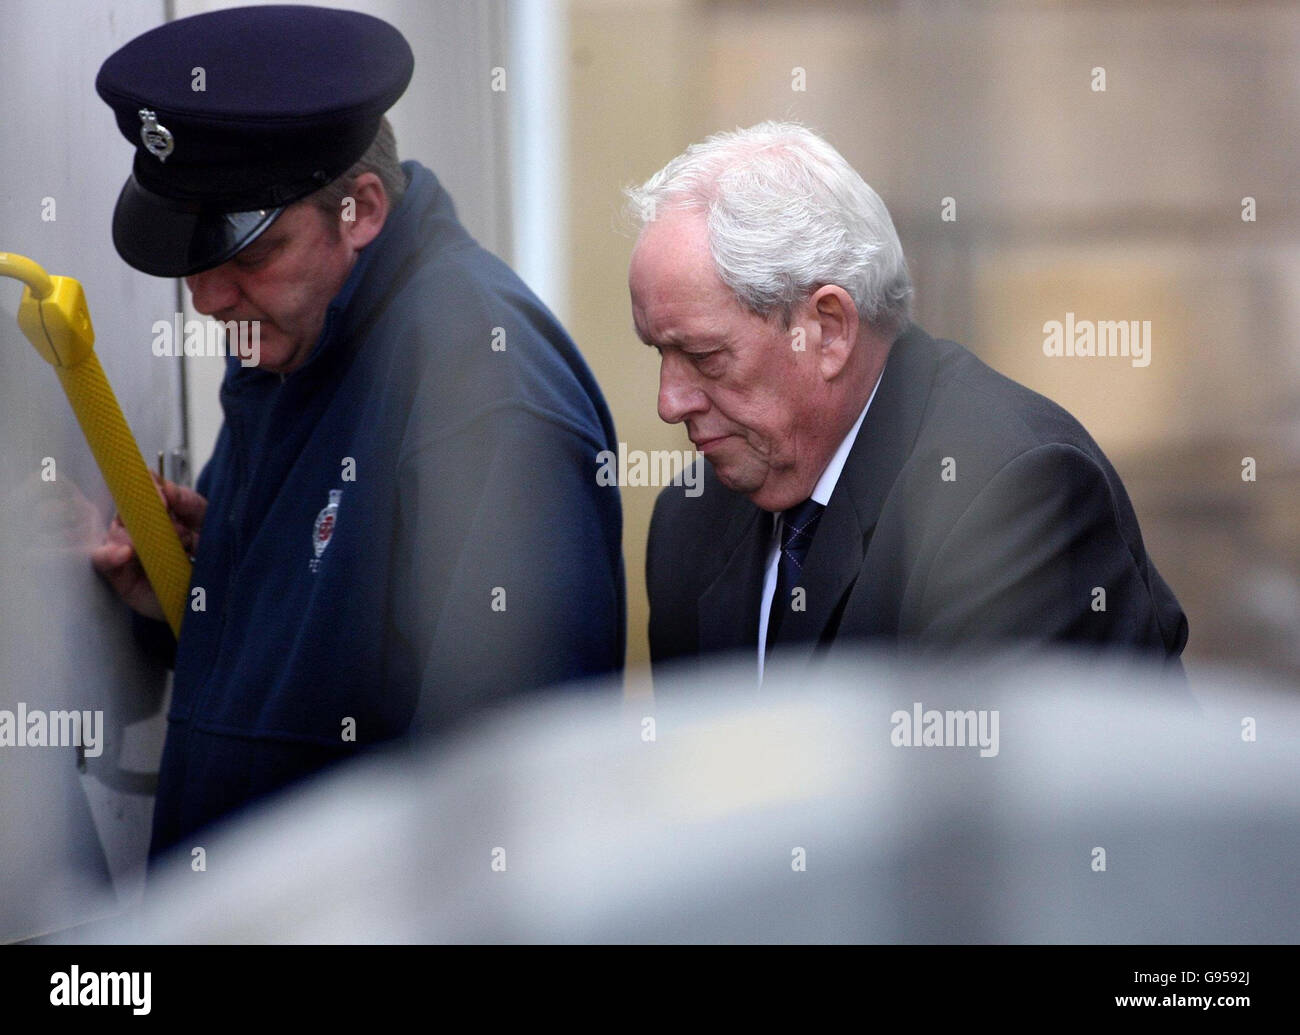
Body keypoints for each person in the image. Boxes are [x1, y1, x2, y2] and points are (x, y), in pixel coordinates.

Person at [91, 5, 625, 860]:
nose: (209, 299)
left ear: (361, 209)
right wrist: (200, 586)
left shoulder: (484, 391)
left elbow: (510, 796)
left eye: (248, 253)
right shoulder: (290, 334)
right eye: (193, 261)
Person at [629, 122, 1187, 680]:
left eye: (704, 357)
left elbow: (995, 764)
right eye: (660, 353)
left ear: (828, 330)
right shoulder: (690, 523)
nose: (669, 403)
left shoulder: (1013, 493)